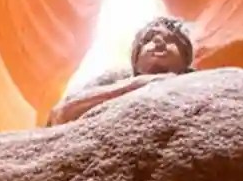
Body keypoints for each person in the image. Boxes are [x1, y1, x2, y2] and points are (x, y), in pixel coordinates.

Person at [46, 16, 196, 126]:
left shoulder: (197, 85)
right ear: (136, 61)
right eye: (149, 39)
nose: (158, 42)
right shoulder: (113, 80)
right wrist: (144, 83)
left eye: (171, 40)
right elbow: (62, 113)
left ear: (185, 61)